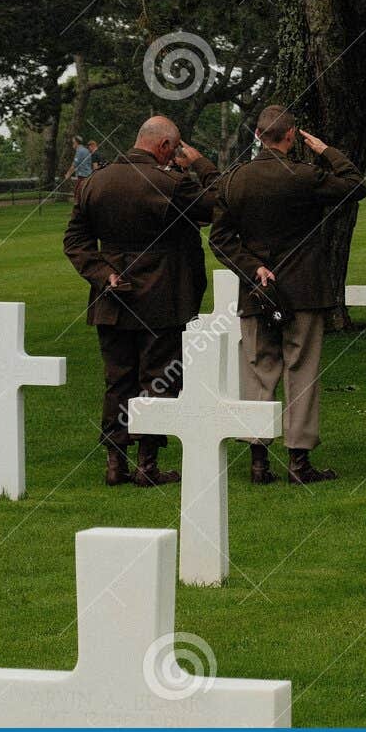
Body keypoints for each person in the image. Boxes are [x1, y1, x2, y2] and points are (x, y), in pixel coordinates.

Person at [209, 105, 366, 484]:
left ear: (259, 136)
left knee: (258, 371)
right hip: (303, 290)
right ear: (292, 135)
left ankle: (258, 461)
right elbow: (355, 185)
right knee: (302, 372)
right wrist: (326, 150)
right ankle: (299, 462)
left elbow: (219, 239)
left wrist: (252, 269)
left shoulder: (234, 180)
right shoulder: (305, 175)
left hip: (256, 290)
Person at [63, 116, 219, 486]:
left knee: (118, 380)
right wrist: (199, 164)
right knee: (158, 379)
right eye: (174, 148)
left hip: (112, 294)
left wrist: (104, 274)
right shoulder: (172, 184)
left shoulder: (93, 183)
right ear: (165, 146)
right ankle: (147, 466)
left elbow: (75, 242)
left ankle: (114, 463)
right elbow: (219, 203)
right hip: (163, 294)